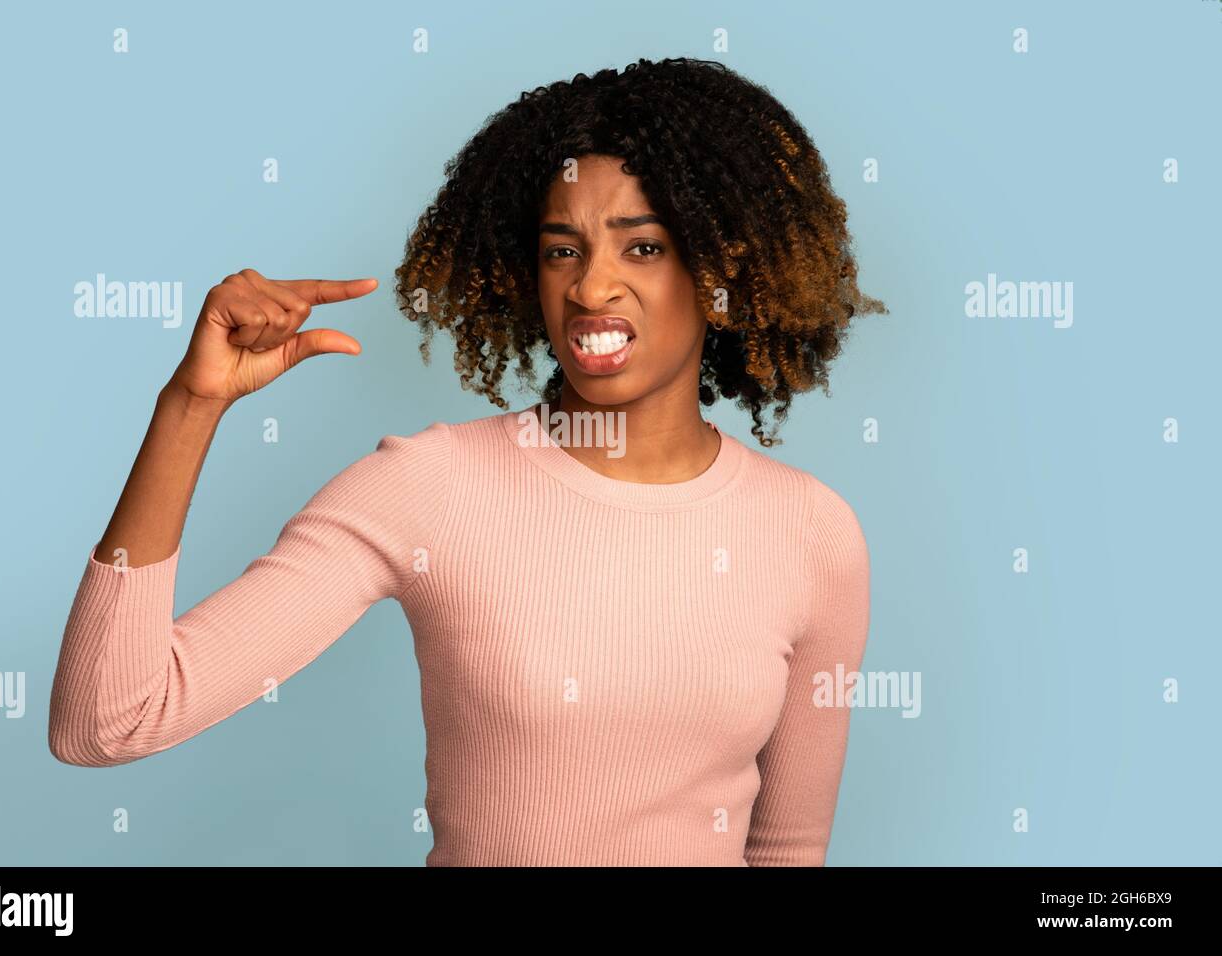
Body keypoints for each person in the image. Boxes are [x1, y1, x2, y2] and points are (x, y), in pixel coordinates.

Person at [49, 56, 887, 866]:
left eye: (643, 247)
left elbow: (787, 851)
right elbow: (106, 721)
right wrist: (191, 407)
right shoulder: (434, 488)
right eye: (563, 249)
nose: (592, 288)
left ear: (721, 267)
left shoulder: (811, 533)